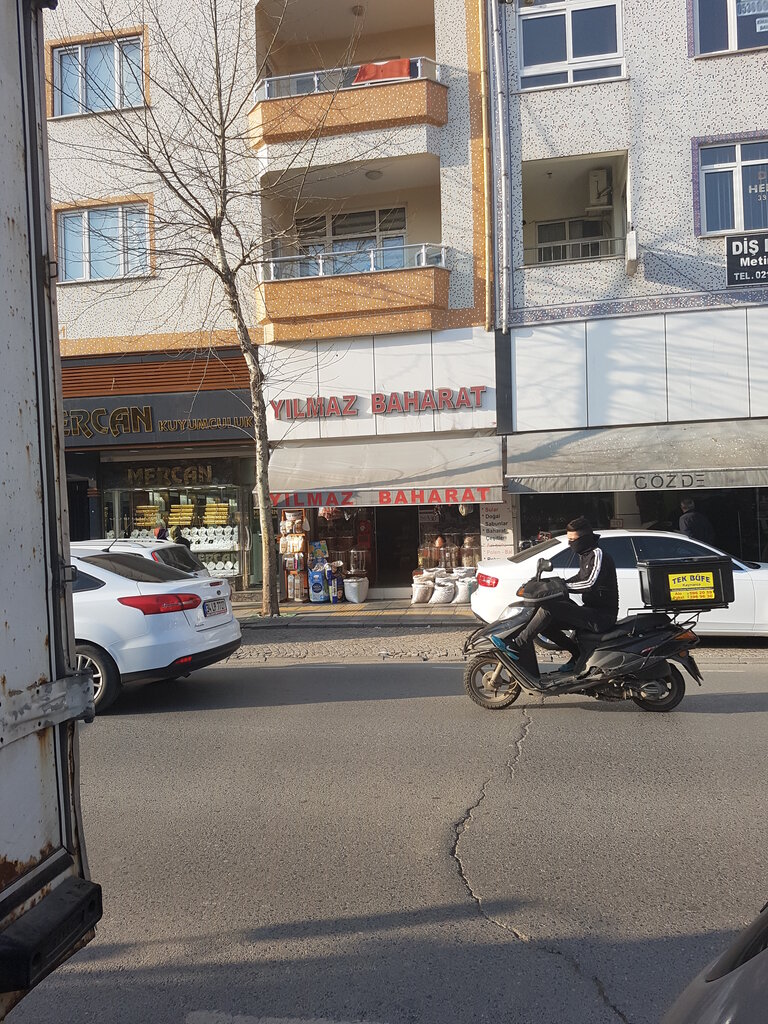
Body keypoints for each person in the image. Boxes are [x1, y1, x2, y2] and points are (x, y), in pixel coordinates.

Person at [512, 516, 619, 677]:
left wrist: (561, 588)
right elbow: (579, 577)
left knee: (551, 608)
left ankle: (518, 644)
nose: (570, 544)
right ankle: (577, 654)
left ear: (584, 538)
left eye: (572, 540)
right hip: (589, 610)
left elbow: (589, 583)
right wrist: (555, 584)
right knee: (547, 623)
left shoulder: (597, 555)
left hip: (601, 616)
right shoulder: (585, 554)